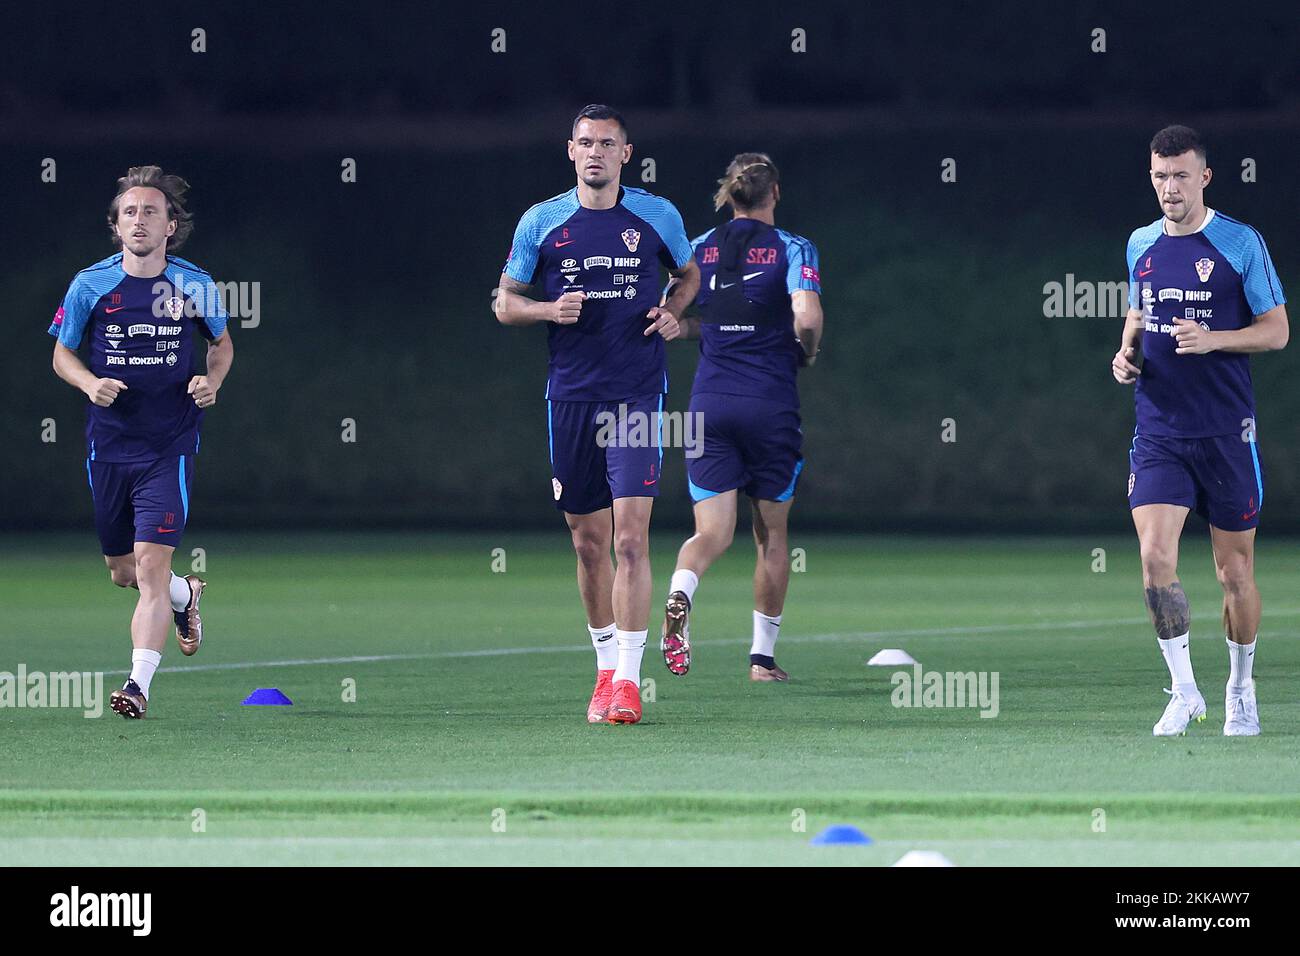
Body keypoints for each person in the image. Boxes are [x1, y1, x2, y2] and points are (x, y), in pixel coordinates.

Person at [494, 105, 700, 724]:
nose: (595, 153)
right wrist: (546, 311)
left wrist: (672, 311)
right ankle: (606, 666)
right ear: (570, 150)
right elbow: (505, 302)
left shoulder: (657, 215)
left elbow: (688, 276)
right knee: (589, 544)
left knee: (631, 539)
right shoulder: (543, 221)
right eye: (585, 143)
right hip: (571, 399)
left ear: (625, 154)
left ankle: (630, 684)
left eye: (606, 144)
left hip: (637, 395)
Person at [1111, 126, 1287, 736]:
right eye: (1160, 176)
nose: (1169, 188)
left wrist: (1214, 339)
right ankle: (1184, 691)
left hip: (1226, 434)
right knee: (1155, 556)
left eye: (1181, 175)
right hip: (1159, 430)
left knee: (1233, 573)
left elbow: (1277, 330)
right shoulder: (1140, 243)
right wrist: (1125, 352)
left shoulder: (1240, 243)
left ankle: (1240, 687)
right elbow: (1139, 311)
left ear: (1205, 177)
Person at [49, 166, 233, 719]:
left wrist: (211, 381)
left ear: (171, 224)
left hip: (169, 445)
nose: (139, 220)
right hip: (109, 446)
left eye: (151, 211)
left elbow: (221, 346)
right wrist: (89, 382)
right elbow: (62, 353)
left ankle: (137, 686)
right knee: (123, 572)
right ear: (117, 225)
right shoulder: (90, 285)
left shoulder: (194, 284)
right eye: (129, 211)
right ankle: (187, 596)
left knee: (150, 568)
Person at [660, 153, 823, 682]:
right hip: (769, 405)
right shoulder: (792, 248)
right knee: (770, 535)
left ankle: (681, 592)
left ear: (728, 195)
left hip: (710, 405)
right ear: (774, 191)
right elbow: (807, 315)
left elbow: (675, 319)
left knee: (710, 533)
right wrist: (809, 348)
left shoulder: (699, 249)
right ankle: (761, 660)